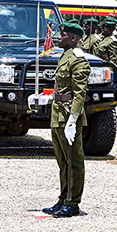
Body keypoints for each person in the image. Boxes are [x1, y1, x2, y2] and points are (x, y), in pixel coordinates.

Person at [42, 21, 90, 218]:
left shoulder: (78, 59)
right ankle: (63, 198)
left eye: (62, 35)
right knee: (63, 161)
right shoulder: (65, 55)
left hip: (68, 114)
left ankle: (72, 202)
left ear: (74, 38)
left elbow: (80, 93)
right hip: (58, 114)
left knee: (73, 161)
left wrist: (73, 118)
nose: (58, 38)